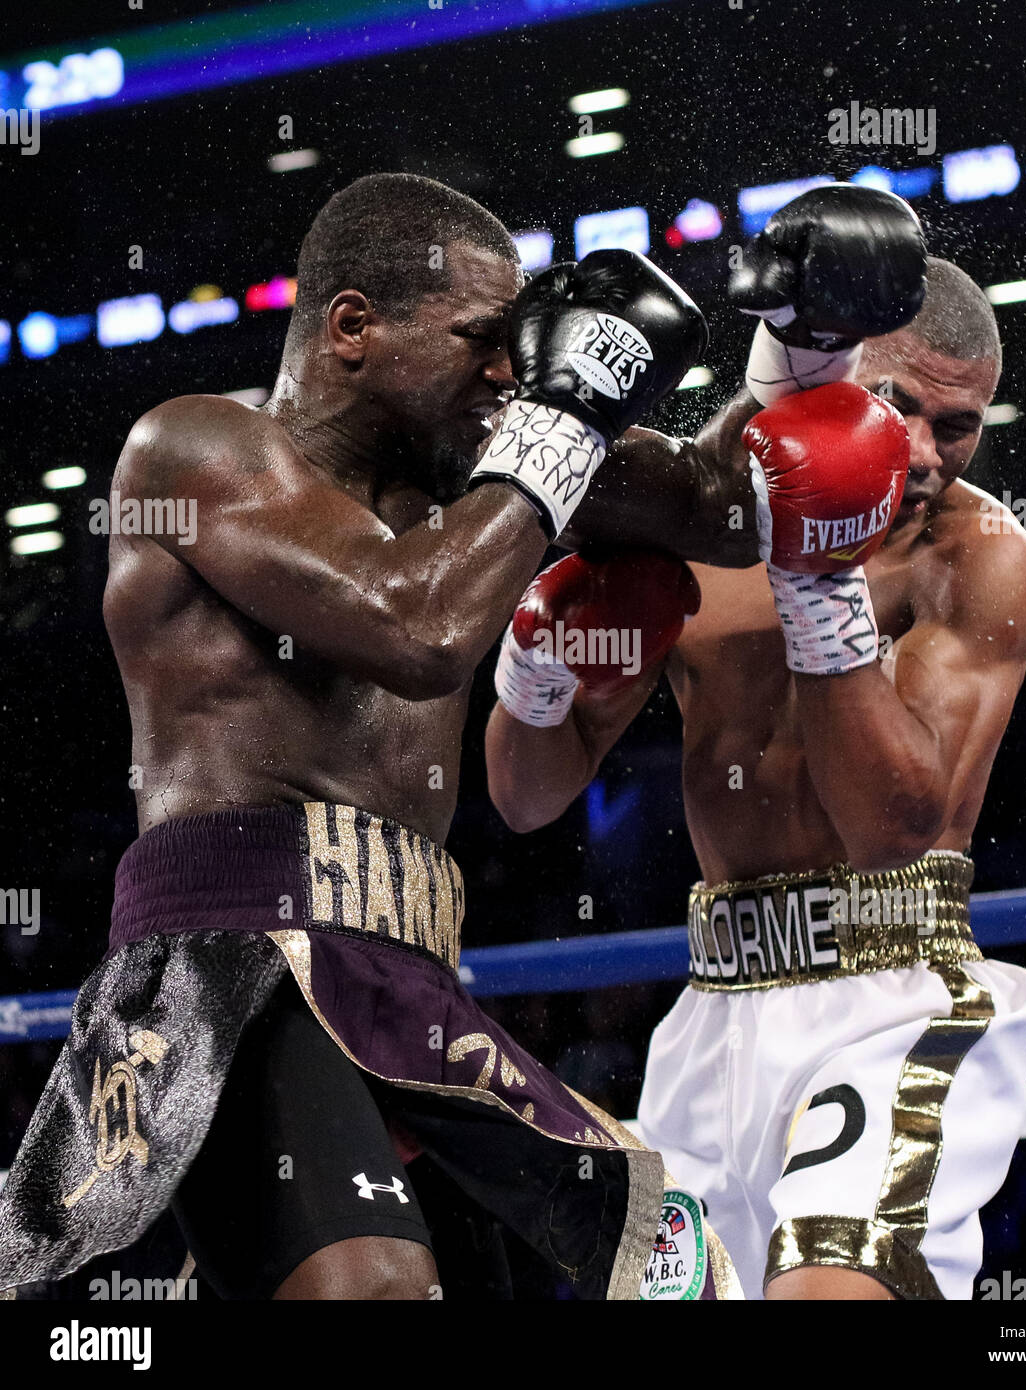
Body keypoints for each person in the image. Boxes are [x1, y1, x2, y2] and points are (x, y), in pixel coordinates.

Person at [0, 172, 741, 1301]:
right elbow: (417, 624)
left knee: (628, 1279)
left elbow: (726, 509)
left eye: (521, 347)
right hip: (236, 957)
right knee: (372, 1291)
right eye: (479, 339)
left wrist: (804, 344)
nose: (509, 372)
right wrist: (563, 421)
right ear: (352, 327)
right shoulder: (198, 450)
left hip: (408, 975)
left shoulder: (480, 480)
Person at [485, 202, 1026, 1300]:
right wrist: (535, 673)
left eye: (962, 424)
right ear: (824, 373)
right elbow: (522, 797)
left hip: (893, 989)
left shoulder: (982, 563)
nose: (928, 456)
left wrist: (818, 574)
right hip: (712, 1013)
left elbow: (896, 831)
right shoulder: (695, 532)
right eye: (900, 409)